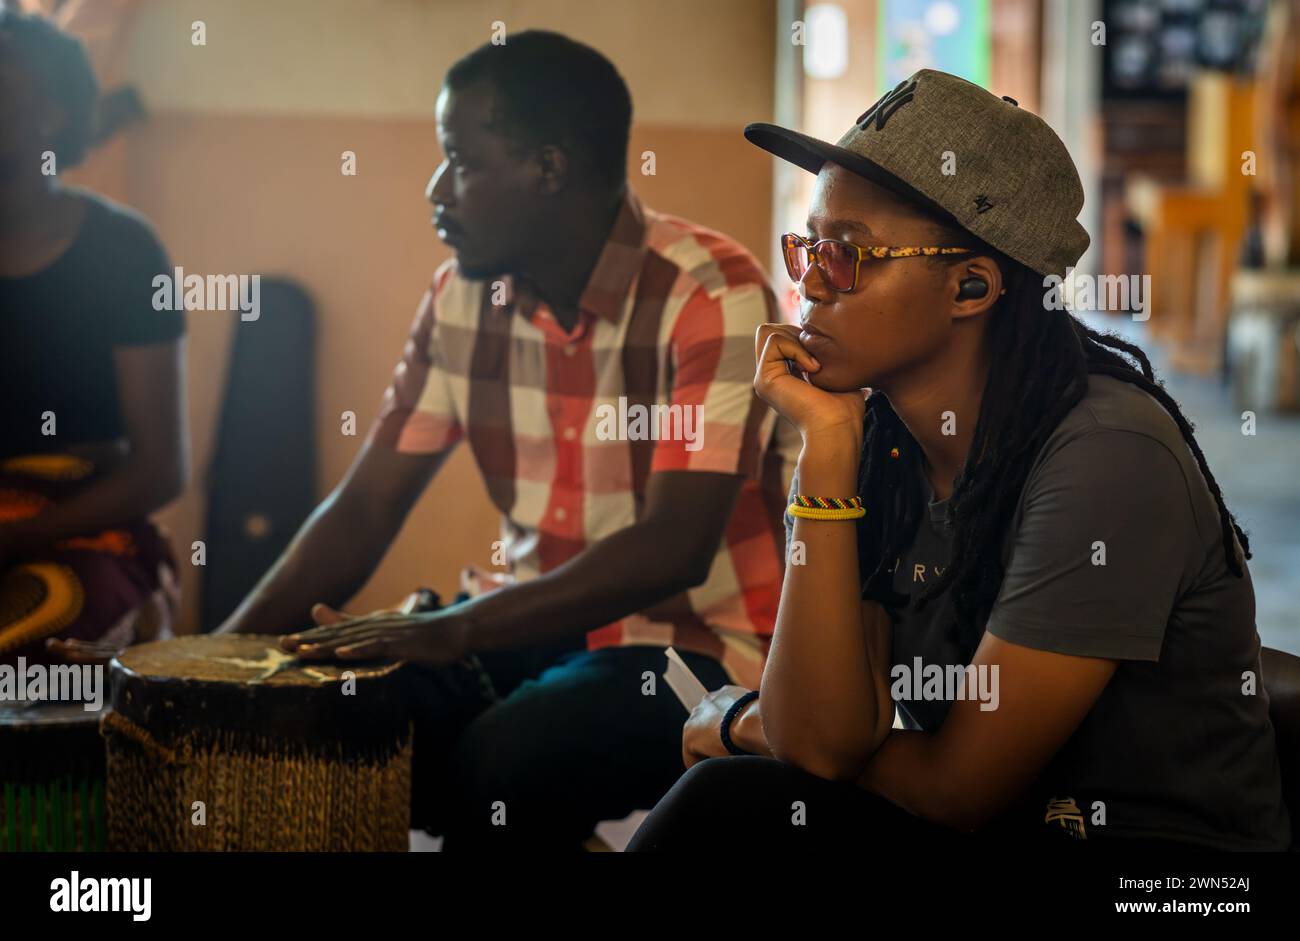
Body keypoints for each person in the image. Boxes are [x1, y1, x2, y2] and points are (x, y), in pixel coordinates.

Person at [628, 69, 1291, 852]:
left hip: (1165, 874)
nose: (806, 283)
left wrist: (744, 722)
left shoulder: (1109, 456)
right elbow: (824, 737)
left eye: (844, 255)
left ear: (972, 286)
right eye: (806, 249)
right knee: (722, 805)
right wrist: (825, 457)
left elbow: (957, 788)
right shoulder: (880, 440)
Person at [217, 31, 800, 849]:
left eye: (459, 159)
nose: (436, 189)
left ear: (548, 170)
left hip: (704, 649)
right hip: (533, 621)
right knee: (345, 710)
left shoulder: (709, 290)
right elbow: (365, 505)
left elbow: (672, 548)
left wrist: (457, 627)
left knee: (504, 762)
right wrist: (207, 660)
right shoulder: (460, 299)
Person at [0, 11, 186, 667]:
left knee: (26, 648)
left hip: (82, 533)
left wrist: (21, 534)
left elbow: (161, 466)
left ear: (51, 116)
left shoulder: (122, 251)